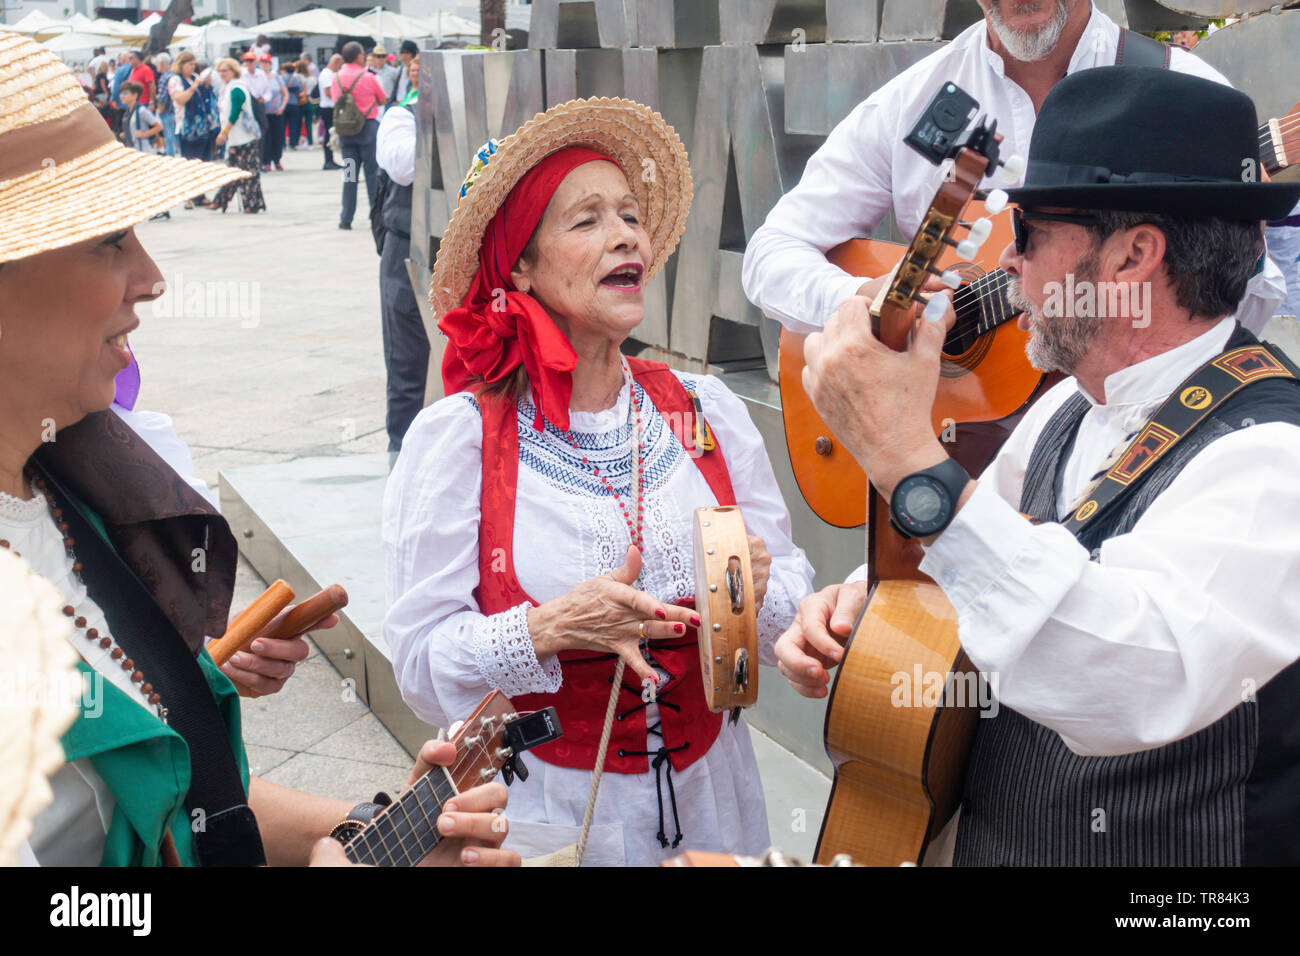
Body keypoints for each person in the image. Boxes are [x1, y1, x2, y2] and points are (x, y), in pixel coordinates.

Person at [0, 31, 518, 868]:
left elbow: (180, 795)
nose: (152, 276)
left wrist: (366, 825)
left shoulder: (71, 488)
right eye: (108, 241)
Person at [783, 66, 1300, 865]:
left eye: (1027, 234)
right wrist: (859, 608)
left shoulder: (1274, 457)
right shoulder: (1069, 405)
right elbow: (962, 557)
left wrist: (901, 452)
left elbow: (1121, 680)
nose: (1009, 268)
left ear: (1132, 258)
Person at [384, 98, 814, 866]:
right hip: (552, 813)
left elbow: (785, 614)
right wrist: (545, 629)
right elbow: (419, 667)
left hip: (717, 796)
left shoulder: (703, 410)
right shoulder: (462, 440)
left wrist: (771, 600)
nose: (625, 234)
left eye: (628, 215)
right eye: (585, 220)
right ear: (520, 264)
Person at [742, 0, 1288, 338]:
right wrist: (864, 300)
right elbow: (770, 254)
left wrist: (1240, 254)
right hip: (955, 438)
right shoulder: (911, 102)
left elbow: (1255, 309)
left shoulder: (1193, 96)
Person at [375, 56, 429, 452]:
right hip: (407, 248)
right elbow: (403, 166)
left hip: (469, 250)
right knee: (408, 360)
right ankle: (402, 451)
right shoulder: (400, 117)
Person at [331, 41, 387, 230]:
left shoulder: (336, 77)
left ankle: (346, 217)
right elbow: (382, 99)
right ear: (358, 56)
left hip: (345, 132)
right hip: (367, 129)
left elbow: (334, 101)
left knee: (349, 175)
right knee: (372, 174)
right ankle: (375, 215)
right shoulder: (368, 77)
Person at [208, 57, 266, 214]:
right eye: (220, 70)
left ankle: (249, 203)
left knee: (247, 172)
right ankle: (223, 200)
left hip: (244, 137)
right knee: (234, 171)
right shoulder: (228, 88)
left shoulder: (236, 88)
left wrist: (224, 132)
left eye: (225, 70)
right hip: (236, 138)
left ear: (233, 71)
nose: (222, 73)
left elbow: (235, 113)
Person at [170, 51, 217, 207]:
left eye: (193, 64)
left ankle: (199, 195)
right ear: (181, 64)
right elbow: (180, 99)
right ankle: (189, 196)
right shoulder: (176, 80)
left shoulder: (193, 79)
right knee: (190, 162)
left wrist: (206, 86)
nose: (193, 67)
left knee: (203, 162)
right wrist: (194, 87)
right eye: (189, 64)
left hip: (203, 126)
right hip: (187, 127)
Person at [260, 54, 288, 171]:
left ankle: (277, 159)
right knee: (266, 138)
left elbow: (285, 93)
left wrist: (282, 107)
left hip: (276, 112)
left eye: (267, 63)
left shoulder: (276, 77)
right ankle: (266, 161)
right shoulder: (258, 77)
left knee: (278, 137)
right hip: (264, 112)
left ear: (270, 64)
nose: (265, 65)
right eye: (262, 63)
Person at [318, 53, 343, 170]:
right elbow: (328, 92)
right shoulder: (327, 74)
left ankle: (330, 159)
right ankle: (328, 161)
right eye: (340, 65)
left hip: (330, 107)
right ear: (336, 62)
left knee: (331, 134)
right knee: (329, 134)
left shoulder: (330, 73)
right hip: (328, 108)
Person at [153, 52, 176, 156]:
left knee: (168, 138)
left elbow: (163, 98)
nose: (156, 66)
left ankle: (171, 158)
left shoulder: (163, 77)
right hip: (175, 111)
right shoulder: (173, 75)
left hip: (167, 111)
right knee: (174, 137)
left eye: (157, 63)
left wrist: (159, 110)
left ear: (161, 64)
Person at [282, 61, 304, 151]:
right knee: (294, 125)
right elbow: (301, 91)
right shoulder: (297, 79)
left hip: (283, 103)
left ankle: (282, 144)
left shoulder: (281, 78)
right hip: (294, 103)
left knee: (282, 125)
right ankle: (293, 144)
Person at [392, 39, 419, 104]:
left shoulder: (417, 68)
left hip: (409, 104)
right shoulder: (402, 67)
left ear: (411, 54)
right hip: (399, 103)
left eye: (405, 52)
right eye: (401, 52)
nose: (401, 54)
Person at [297, 58, 316, 147]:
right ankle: (310, 141)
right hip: (310, 100)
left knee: (298, 123)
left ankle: (297, 140)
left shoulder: (297, 77)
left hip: (300, 100)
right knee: (309, 123)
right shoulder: (312, 78)